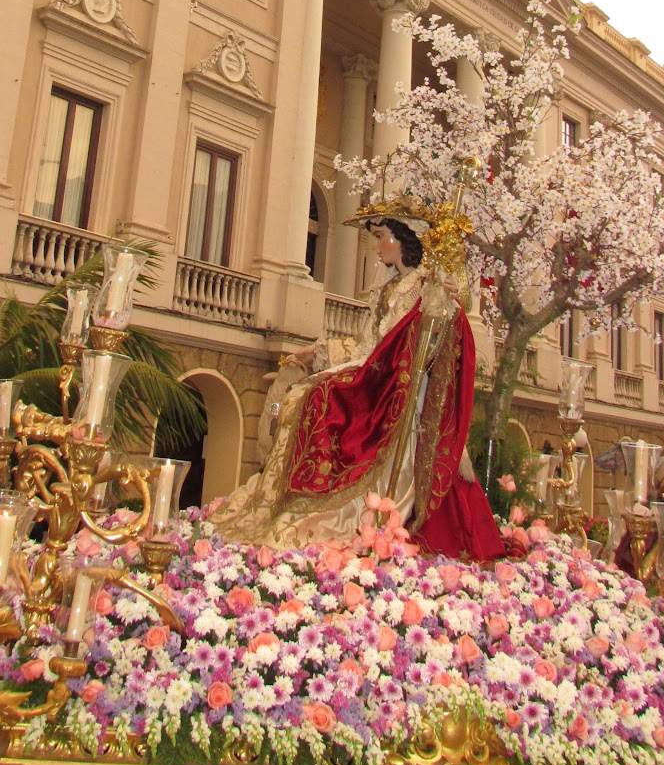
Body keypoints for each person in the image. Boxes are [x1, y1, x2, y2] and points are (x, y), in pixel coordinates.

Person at [211, 212, 504, 562]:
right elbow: (367, 345)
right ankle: (289, 502)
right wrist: (315, 353)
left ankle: (343, 508)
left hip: (399, 385)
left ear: (404, 238)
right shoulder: (387, 289)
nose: (376, 246)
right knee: (302, 396)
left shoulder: (426, 286)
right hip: (376, 372)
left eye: (382, 236)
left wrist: (444, 301)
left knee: (322, 398)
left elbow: (437, 332)